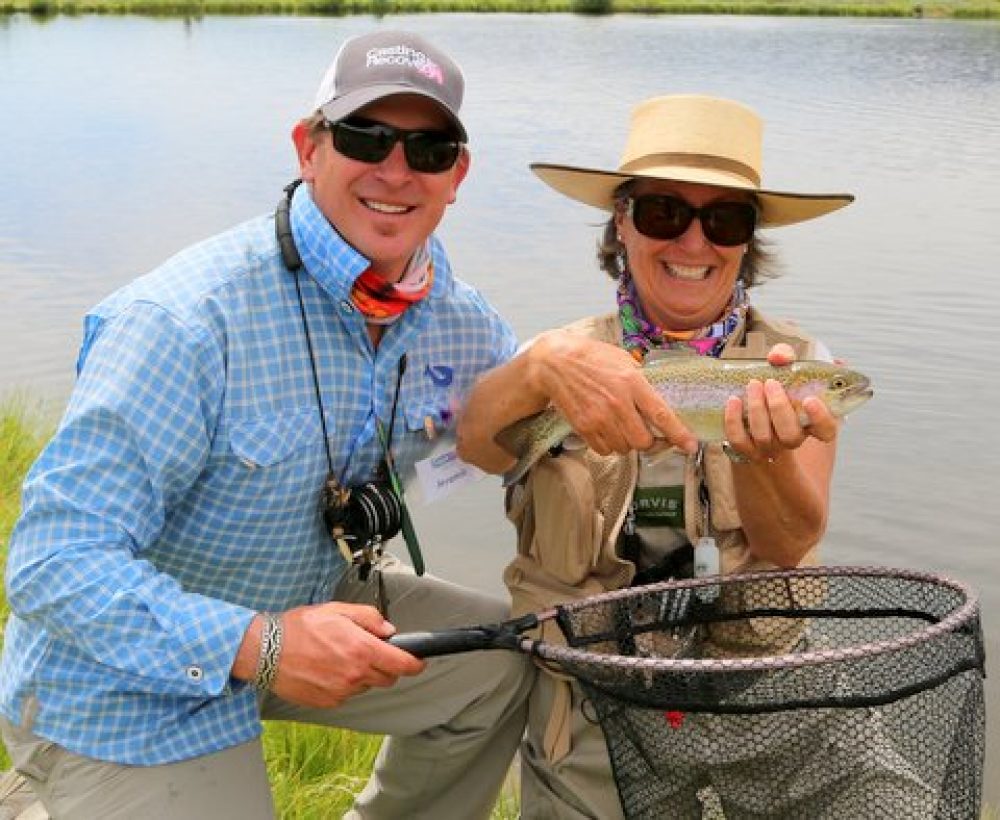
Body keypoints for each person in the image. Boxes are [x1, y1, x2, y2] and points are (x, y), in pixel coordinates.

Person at [0, 30, 534, 819]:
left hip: (311, 599)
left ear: (458, 174)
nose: (395, 169)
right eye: (364, 136)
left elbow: (542, 414)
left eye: (428, 147)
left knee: (502, 662)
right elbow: (53, 563)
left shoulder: (455, 318)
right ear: (306, 147)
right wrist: (264, 646)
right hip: (116, 690)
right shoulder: (183, 322)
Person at [457, 95, 933, 817]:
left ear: (749, 238)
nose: (693, 243)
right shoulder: (560, 358)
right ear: (621, 222)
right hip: (593, 704)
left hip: (762, 688)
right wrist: (535, 372)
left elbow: (793, 542)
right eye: (662, 214)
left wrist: (762, 457)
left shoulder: (799, 366)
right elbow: (475, 448)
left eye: (725, 219)